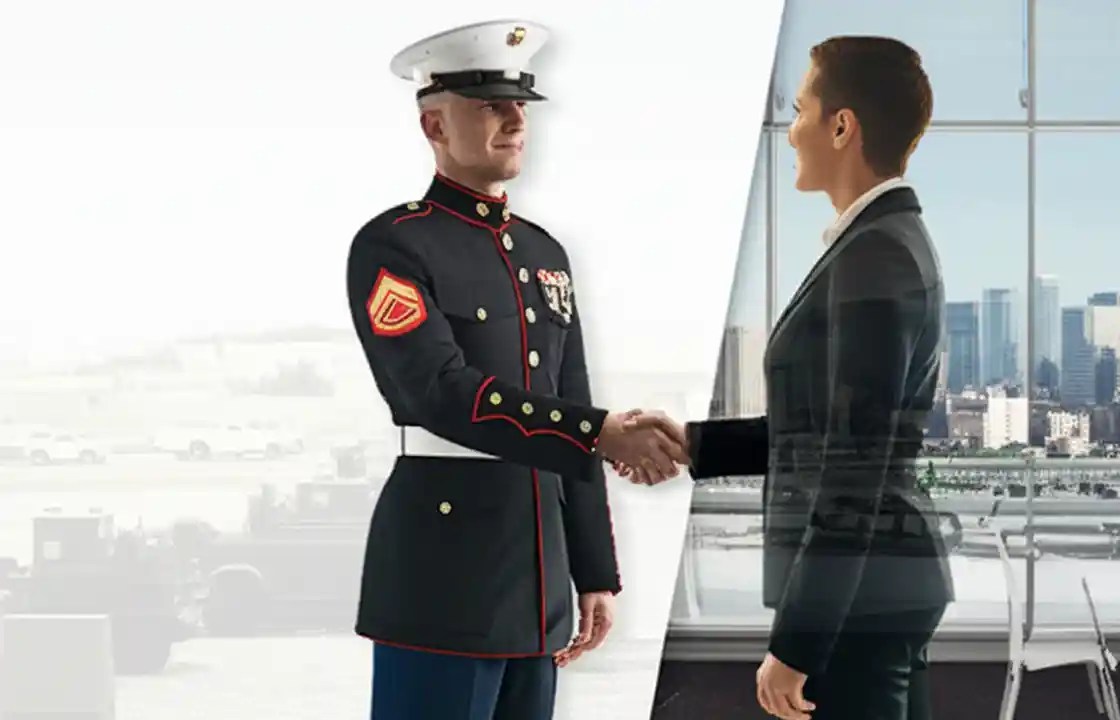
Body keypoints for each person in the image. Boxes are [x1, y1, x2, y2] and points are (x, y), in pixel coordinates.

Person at [345, 20, 688, 720]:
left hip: (536, 585)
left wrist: (593, 571)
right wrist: (599, 432)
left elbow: (574, 401)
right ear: (434, 123)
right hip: (442, 581)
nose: (514, 119)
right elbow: (438, 391)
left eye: (520, 104)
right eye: (488, 105)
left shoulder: (544, 253)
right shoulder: (393, 246)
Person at [621, 36, 954, 720]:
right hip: (878, 587)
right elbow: (830, 431)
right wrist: (695, 443)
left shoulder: (877, 257)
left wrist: (799, 643)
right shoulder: (875, 244)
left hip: (862, 599)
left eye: (800, 109)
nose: (790, 129)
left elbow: (854, 466)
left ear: (842, 125)